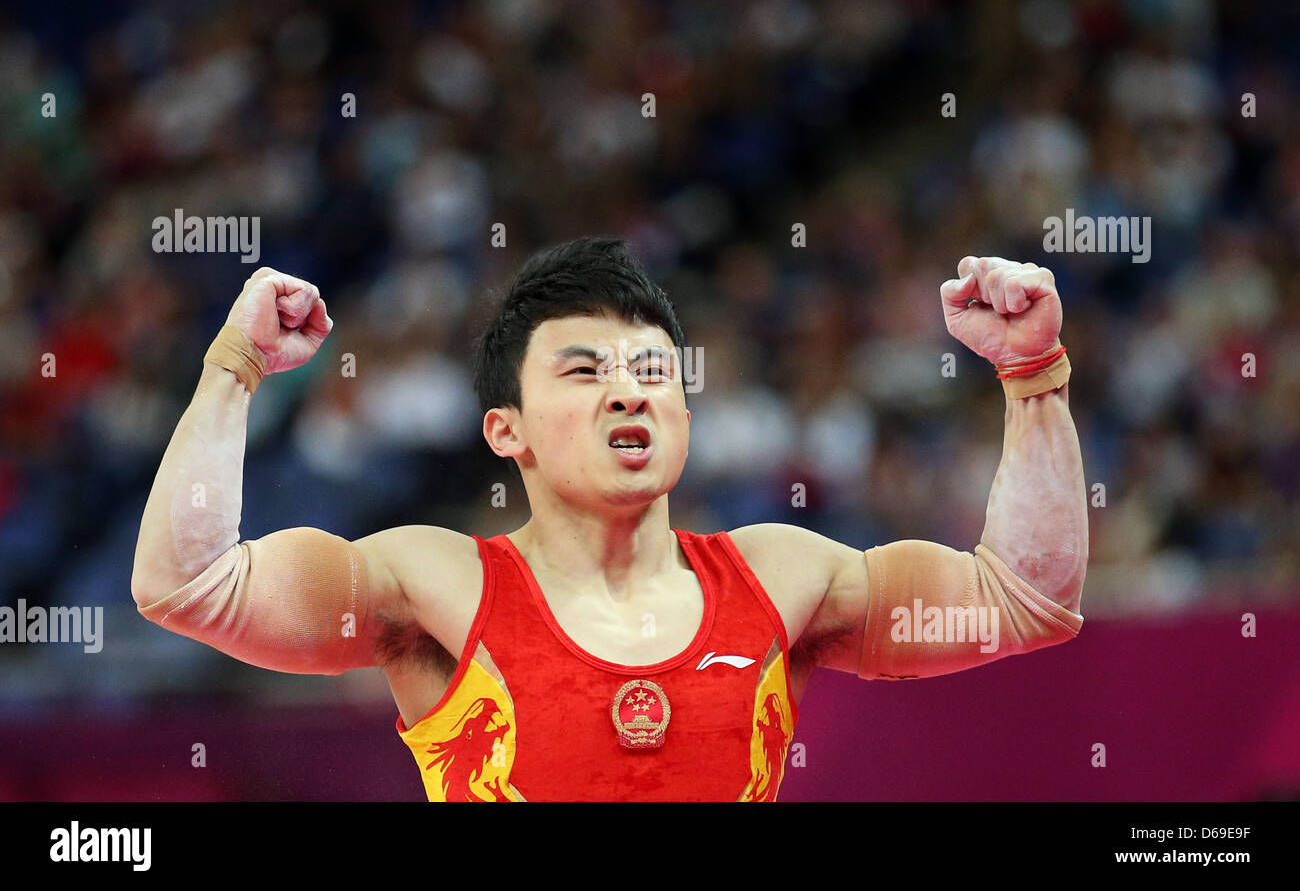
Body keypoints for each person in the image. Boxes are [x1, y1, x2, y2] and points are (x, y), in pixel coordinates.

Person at [131, 237, 1086, 801]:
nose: (628, 393)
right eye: (585, 371)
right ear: (506, 431)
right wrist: (233, 367)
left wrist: (1032, 375)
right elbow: (189, 585)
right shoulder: (433, 584)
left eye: (654, 373)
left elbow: (1025, 600)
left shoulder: (785, 576)